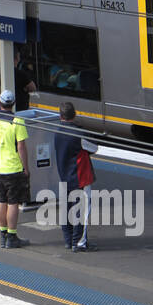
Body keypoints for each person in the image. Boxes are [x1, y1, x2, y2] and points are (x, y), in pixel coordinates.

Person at [0, 89, 30, 248]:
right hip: (13, 167)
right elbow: (21, 146)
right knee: (13, 202)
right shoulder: (16, 120)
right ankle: (12, 236)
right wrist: (26, 168)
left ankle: (3, 234)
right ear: (13, 103)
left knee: (1, 200)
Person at [54, 103, 92, 251]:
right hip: (80, 178)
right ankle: (79, 243)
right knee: (81, 211)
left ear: (60, 116)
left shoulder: (57, 132)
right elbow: (93, 147)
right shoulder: (78, 133)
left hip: (63, 176)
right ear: (74, 115)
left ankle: (68, 240)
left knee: (66, 209)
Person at [14, 47, 38, 113]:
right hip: (20, 107)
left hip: (10, 106)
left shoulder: (4, 71)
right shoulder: (21, 74)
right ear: (17, 58)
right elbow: (33, 88)